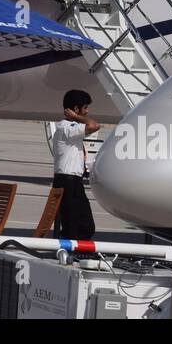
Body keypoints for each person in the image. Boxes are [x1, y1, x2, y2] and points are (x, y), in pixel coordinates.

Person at [50, 89, 100, 240]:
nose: (87, 111)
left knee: (82, 225)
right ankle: (71, 254)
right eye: (84, 108)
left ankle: (74, 252)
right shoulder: (66, 127)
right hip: (68, 181)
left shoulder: (70, 128)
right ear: (76, 109)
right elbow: (94, 125)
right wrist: (76, 117)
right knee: (76, 225)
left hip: (72, 181)